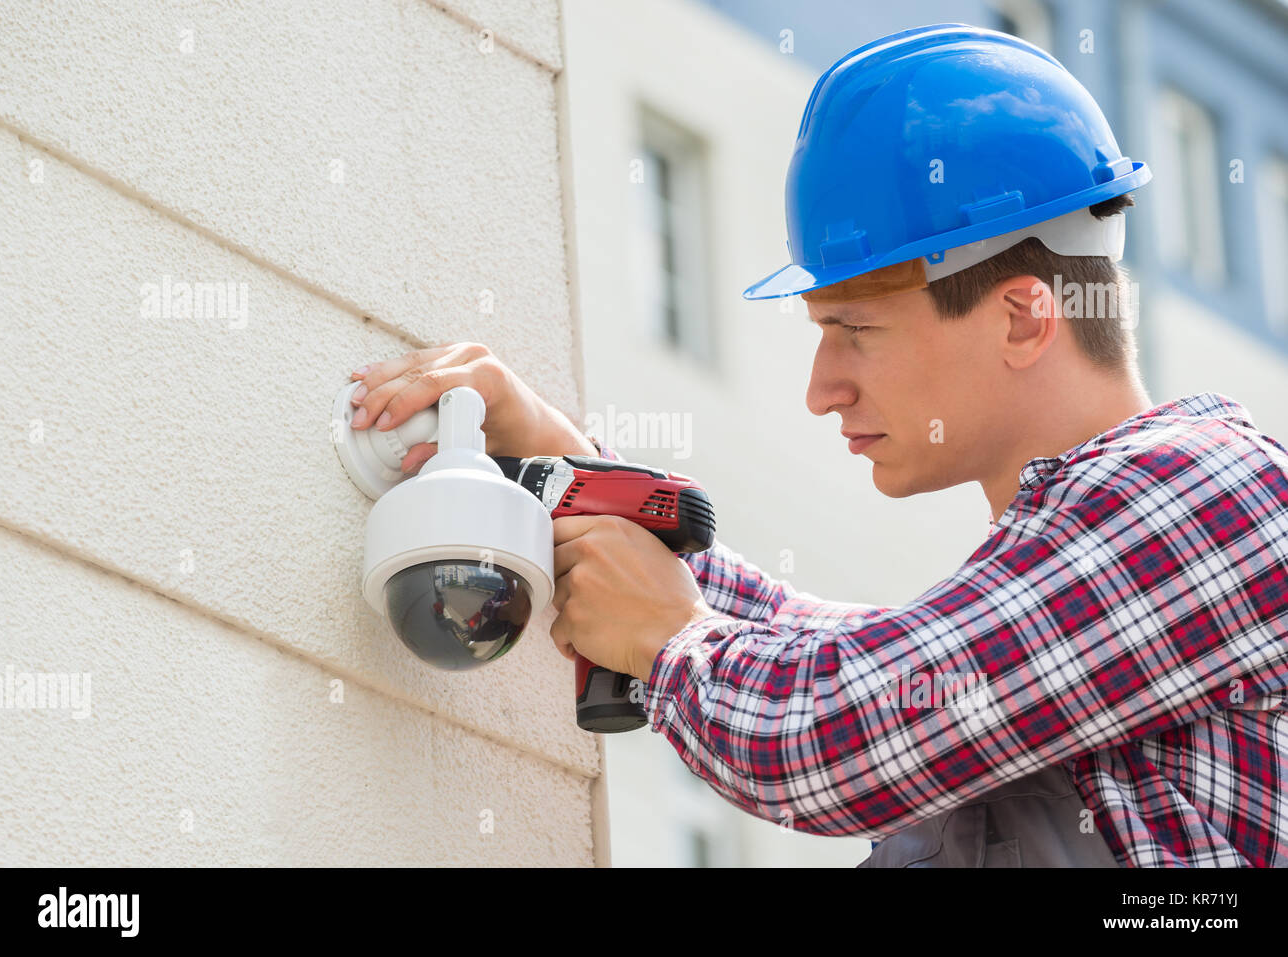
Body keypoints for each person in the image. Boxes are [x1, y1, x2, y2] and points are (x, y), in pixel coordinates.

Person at [346, 25, 1288, 866]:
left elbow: (846, 731)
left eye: (858, 331)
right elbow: (853, 660)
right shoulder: (1077, 581)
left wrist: (674, 644)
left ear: (1019, 319)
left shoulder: (1216, 493)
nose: (820, 388)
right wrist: (575, 471)